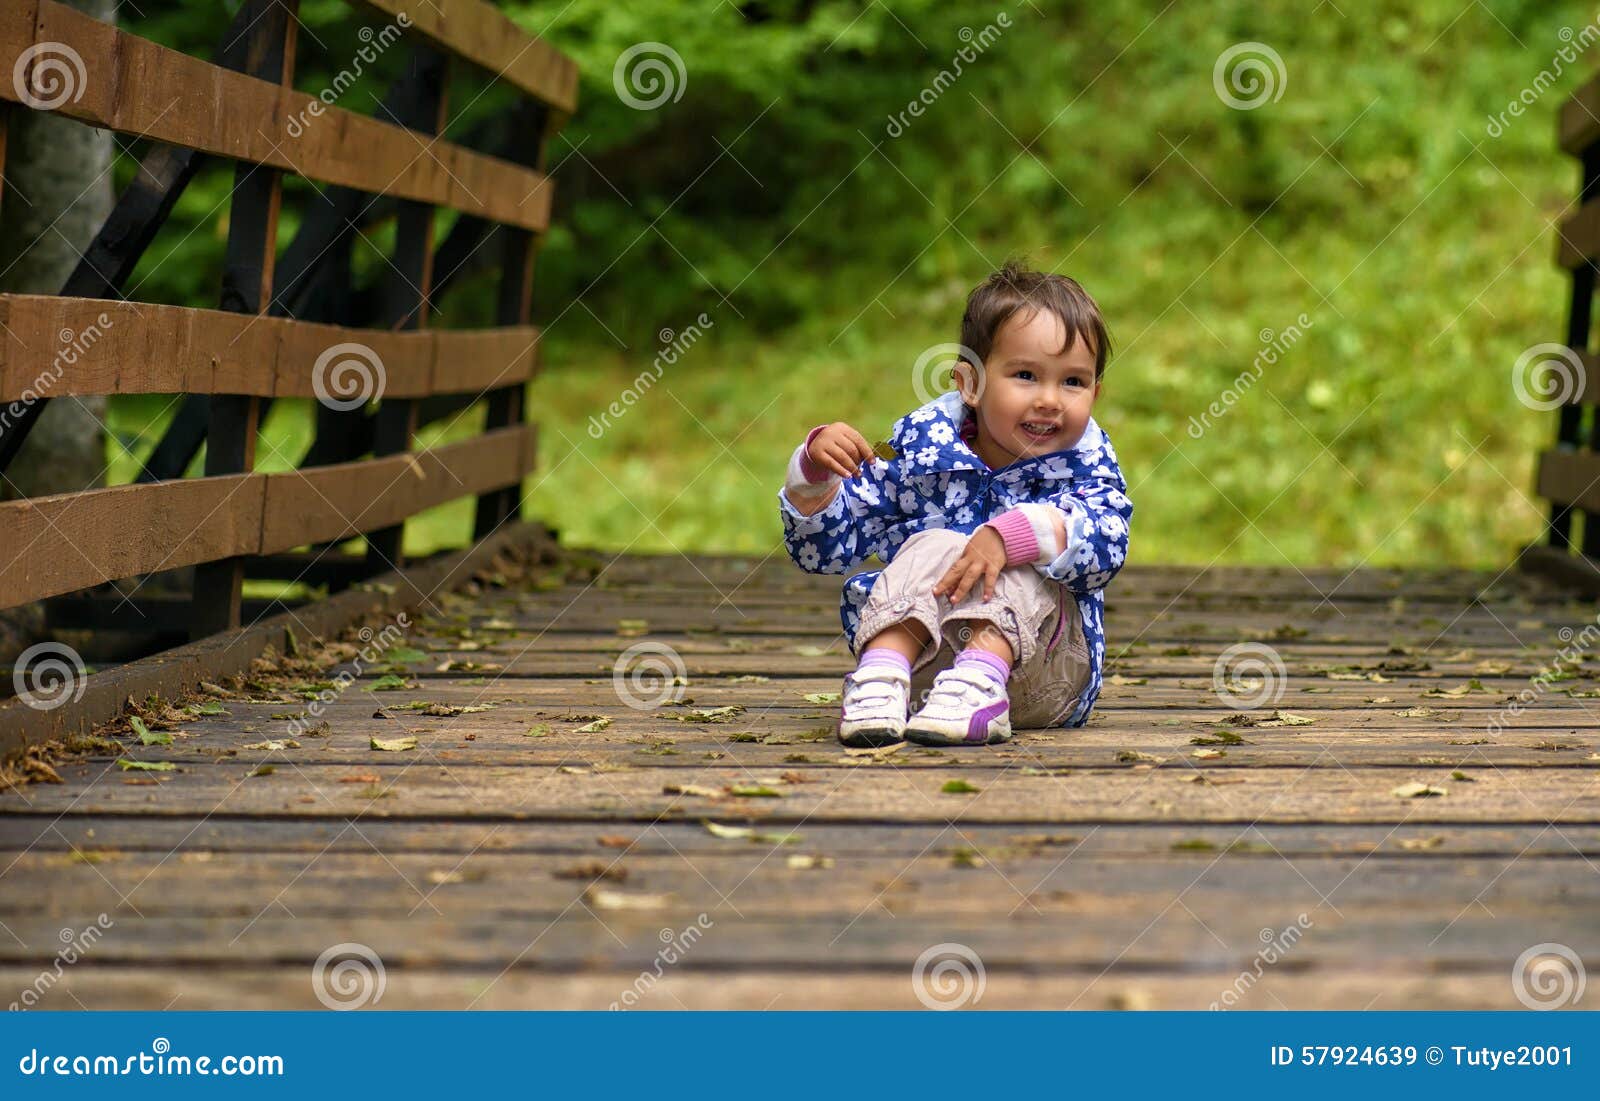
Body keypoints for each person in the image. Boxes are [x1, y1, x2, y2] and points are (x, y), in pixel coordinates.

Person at [778, 260, 1132, 747]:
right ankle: (881, 678)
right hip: (926, 675)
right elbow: (828, 549)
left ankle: (980, 682)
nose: (1051, 399)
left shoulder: (1085, 466)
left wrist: (1014, 536)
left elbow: (1106, 543)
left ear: (1095, 391)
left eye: (1073, 382)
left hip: (1042, 678)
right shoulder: (923, 456)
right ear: (970, 384)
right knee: (933, 543)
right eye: (1026, 374)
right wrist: (814, 478)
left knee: (1027, 557)